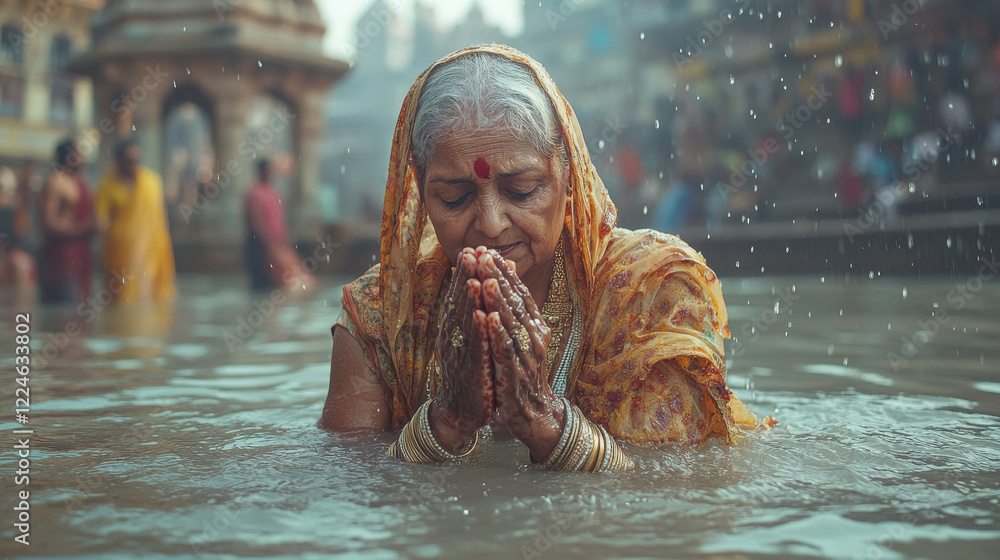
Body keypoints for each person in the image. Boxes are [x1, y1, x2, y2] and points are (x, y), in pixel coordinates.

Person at [320, 45, 770, 471]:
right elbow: (348, 493)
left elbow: (684, 490)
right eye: (455, 197)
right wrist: (447, 419)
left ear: (569, 173)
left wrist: (543, 419)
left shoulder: (653, 290)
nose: (492, 223)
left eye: (522, 190)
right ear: (420, 190)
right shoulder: (381, 315)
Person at [94, 138, 176, 303]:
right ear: (119, 161)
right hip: (120, 254)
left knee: (148, 299)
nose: (134, 165)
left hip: (151, 251)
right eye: (129, 161)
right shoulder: (107, 185)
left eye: (137, 161)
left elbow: (160, 221)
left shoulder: (152, 182)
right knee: (123, 301)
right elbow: (100, 220)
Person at [243, 158, 315, 291]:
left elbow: (279, 221)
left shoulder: (275, 194)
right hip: (260, 246)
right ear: (262, 172)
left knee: (281, 285)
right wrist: (269, 246)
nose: (271, 174)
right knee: (262, 286)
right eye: (268, 171)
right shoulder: (255, 193)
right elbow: (256, 222)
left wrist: (285, 244)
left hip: (277, 244)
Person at [39, 139, 95, 304]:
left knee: (82, 308)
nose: (83, 158)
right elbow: (48, 223)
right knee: (63, 308)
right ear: (69, 156)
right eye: (79, 153)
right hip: (61, 256)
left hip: (82, 253)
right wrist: (82, 230)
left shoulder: (81, 182)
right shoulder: (55, 183)